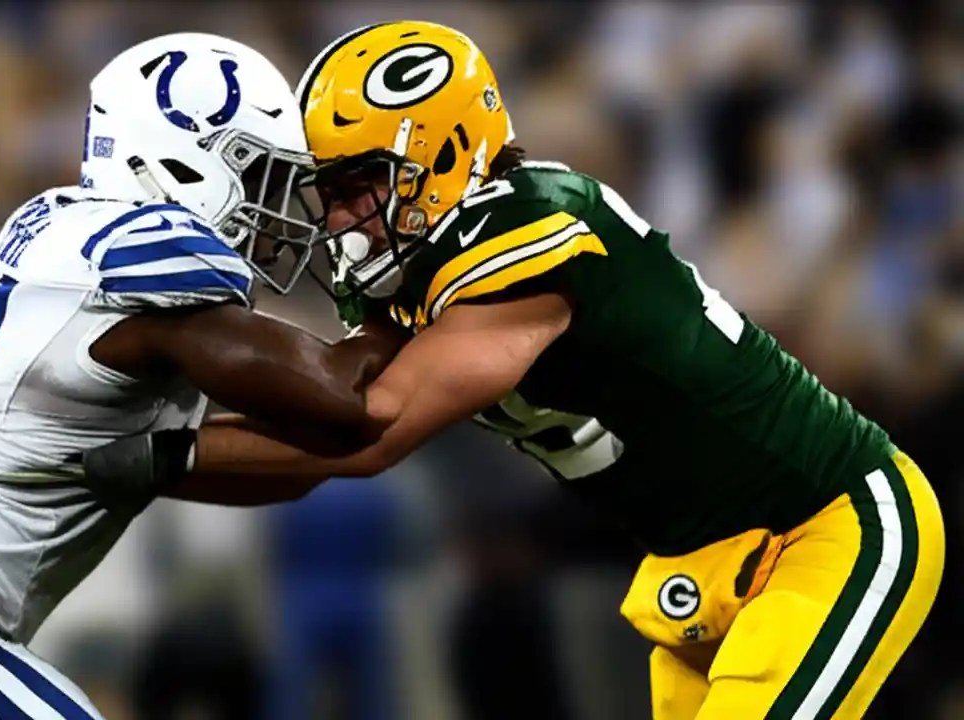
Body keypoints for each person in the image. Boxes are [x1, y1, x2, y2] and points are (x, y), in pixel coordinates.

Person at [81, 21, 945, 720]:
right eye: (328, 194)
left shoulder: (530, 230)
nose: (340, 218)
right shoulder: (416, 270)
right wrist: (160, 426)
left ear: (442, 152)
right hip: (705, 562)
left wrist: (155, 457)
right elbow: (329, 408)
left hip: (825, 521)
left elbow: (369, 431)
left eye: (357, 187)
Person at [0, 32, 399, 720]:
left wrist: (172, 460)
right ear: (183, 158)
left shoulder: (76, 244)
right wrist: (405, 313)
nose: (275, 215)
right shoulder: (134, 249)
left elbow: (302, 456)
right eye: (259, 176)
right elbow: (332, 399)